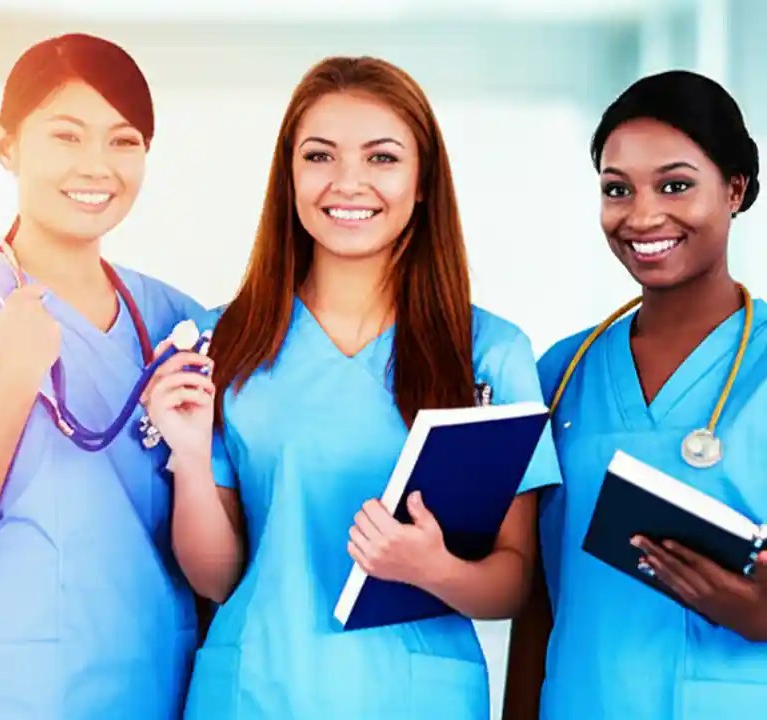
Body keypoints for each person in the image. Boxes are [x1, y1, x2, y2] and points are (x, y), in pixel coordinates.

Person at [142, 55, 561, 718]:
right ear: (289, 177)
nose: (347, 182)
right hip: (255, 688)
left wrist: (433, 569)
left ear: (423, 181)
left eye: (382, 158)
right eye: (319, 156)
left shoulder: (490, 354)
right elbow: (216, 577)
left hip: (418, 697)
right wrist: (190, 457)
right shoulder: (225, 342)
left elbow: (513, 584)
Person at [0, 33, 210, 719]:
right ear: (6, 147)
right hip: (14, 697)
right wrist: (16, 380)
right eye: (66, 136)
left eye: (124, 142)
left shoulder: (174, 321)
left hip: (156, 683)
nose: (97, 166)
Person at [503, 69, 767, 720]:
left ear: (735, 189)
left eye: (676, 185)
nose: (643, 215)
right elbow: (537, 592)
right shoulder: (560, 373)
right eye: (617, 190)